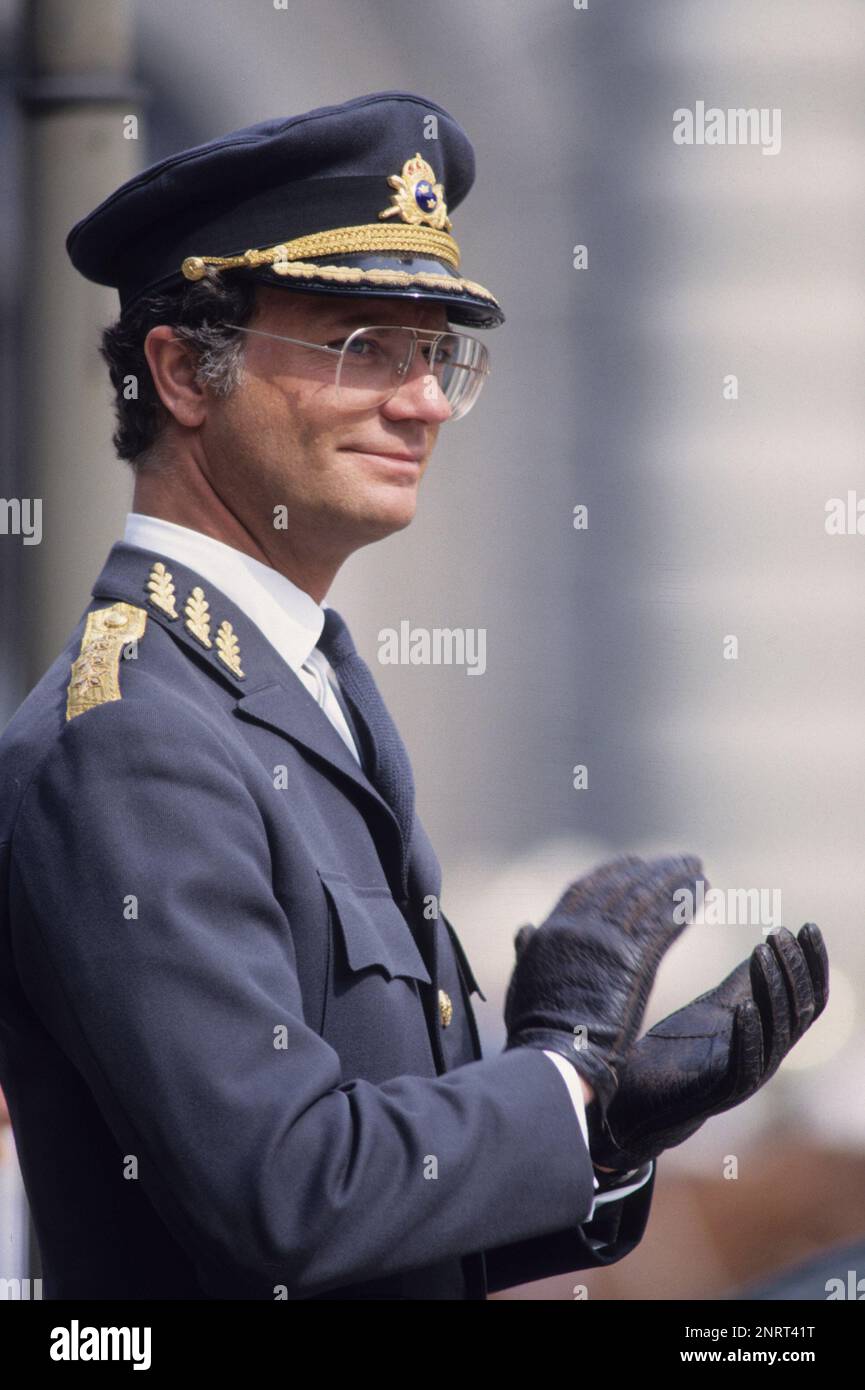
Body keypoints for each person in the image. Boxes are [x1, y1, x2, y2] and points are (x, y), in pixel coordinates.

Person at [0, 91, 828, 1301]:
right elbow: (283, 1192)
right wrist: (559, 1081)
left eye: (436, 353)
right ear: (180, 371)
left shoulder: (289, 685)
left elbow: (382, 1215)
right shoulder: (136, 732)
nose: (427, 400)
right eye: (360, 346)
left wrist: (592, 1124)